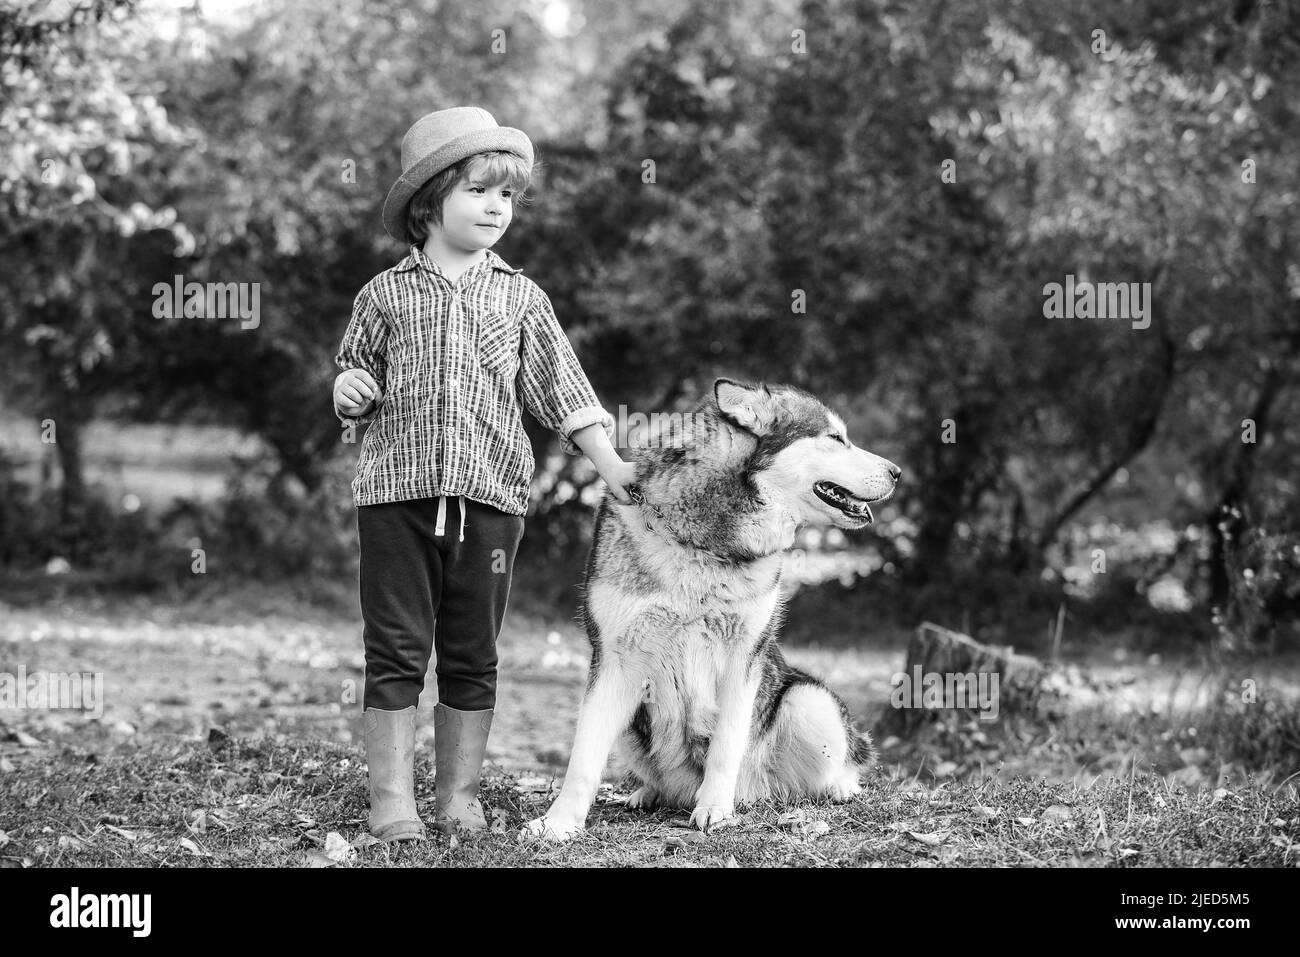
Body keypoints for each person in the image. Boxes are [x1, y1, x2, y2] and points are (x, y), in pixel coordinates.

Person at [332, 107, 635, 840]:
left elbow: (565, 391)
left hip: (490, 503)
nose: (499, 206)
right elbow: (353, 371)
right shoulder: (384, 294)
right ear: (431, 202)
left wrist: (612, 465)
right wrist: (347, 390)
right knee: (397, 648)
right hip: (395, 500)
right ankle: (392, 800)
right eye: (480, 190)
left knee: (473, 650)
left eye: (509, 195)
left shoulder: (522, 298)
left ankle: (458, 796)